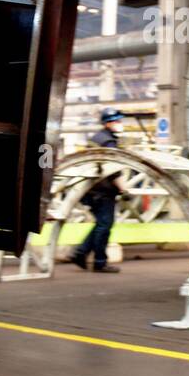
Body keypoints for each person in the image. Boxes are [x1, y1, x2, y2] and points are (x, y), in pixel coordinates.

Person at [70, 108, 128, 273]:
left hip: (91, 190)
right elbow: (112, 169)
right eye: (117, 121)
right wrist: (123, 189)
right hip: (102, 192)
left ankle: (80, 254)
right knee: (104, 226)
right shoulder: (108, 141)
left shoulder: (97, 138)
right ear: (108, 123)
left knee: (101, 225)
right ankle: (100, 262)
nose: (120, 124)